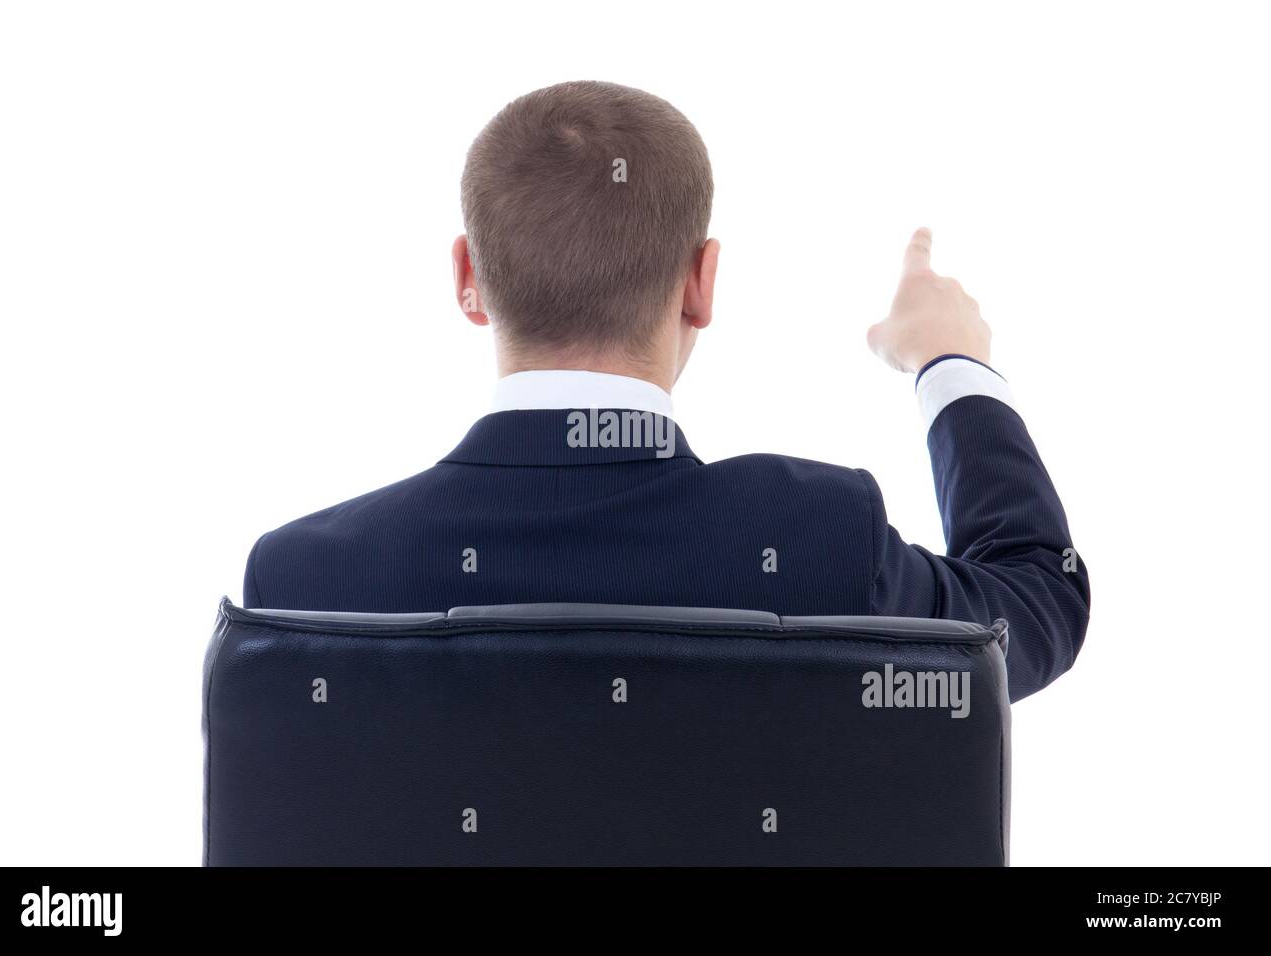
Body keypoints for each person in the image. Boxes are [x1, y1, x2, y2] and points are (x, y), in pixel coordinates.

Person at [242, 80, 1089, 701]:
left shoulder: (302, 582)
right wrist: (950, 364)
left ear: (468, 275)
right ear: (701, 283)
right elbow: (1038, 596)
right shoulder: (820, 540)